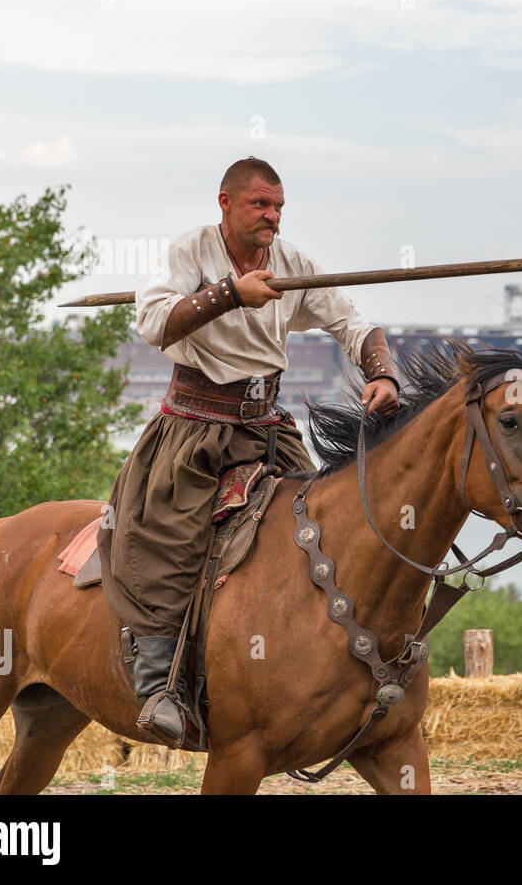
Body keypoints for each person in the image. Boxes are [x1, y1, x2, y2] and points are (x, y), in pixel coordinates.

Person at [96, 157, 400, 747]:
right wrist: (230, 294)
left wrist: (382, 374)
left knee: (323, 531)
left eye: (279, 206)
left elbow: (353, 323)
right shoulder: (192, 252)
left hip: (268, 427)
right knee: (167, 537)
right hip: (194, 429)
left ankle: (313, 669)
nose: (272, 217)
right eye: (261, 205)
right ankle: (158, 682)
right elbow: (156, 323)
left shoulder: (292, 265)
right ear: (226, 203)